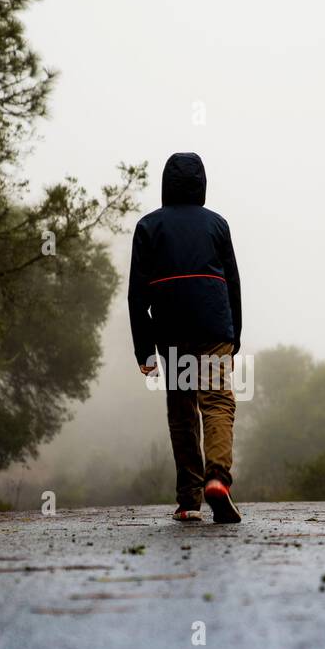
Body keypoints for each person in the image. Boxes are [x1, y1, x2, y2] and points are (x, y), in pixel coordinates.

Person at [128, 152, 243, 524]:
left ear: (165, 185)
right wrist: (234, 334)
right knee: (216, 402)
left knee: (182, 412)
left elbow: (136, 295)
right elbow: (233, 284)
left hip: (171, 329)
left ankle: (188, 501)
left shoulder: (148, 226)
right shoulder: (218, 225)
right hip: (213, 325)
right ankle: (217, 480)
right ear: (202, 185)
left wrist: (144, 350)